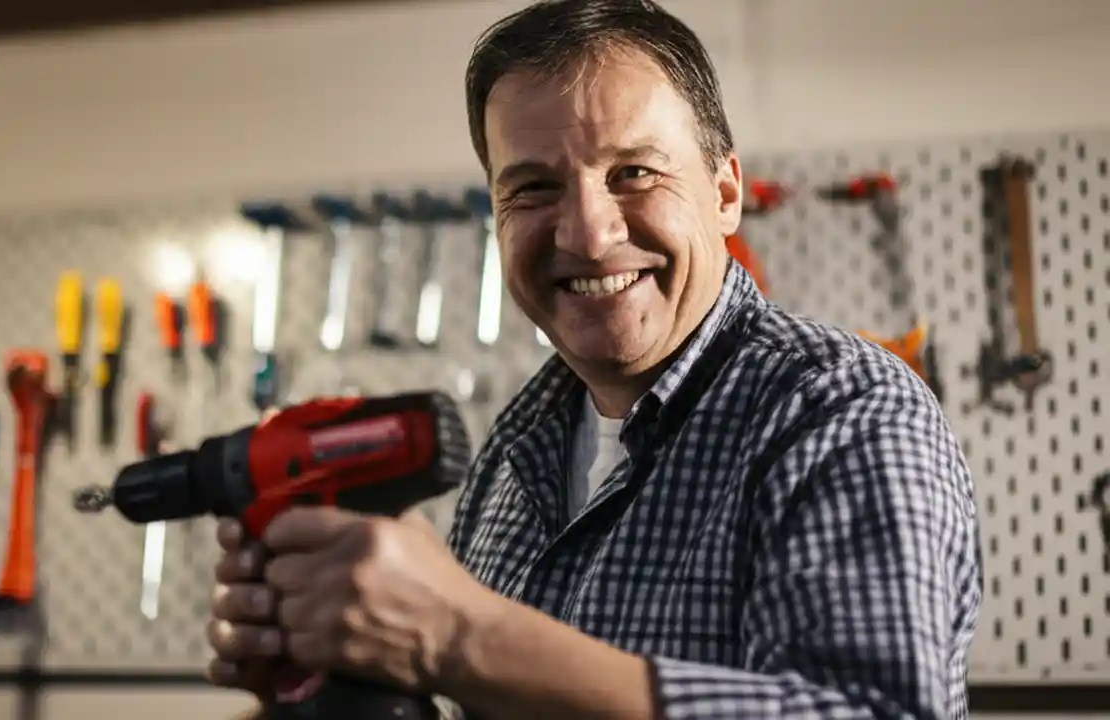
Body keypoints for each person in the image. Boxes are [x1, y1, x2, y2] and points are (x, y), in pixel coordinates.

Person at [206, 1, 983, 718]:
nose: (585, 233)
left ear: (724, 192)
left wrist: (457, 636)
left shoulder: (842, 410)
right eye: (534, 187)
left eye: (633, 173)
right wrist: (349, 680)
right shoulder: (516, 449)